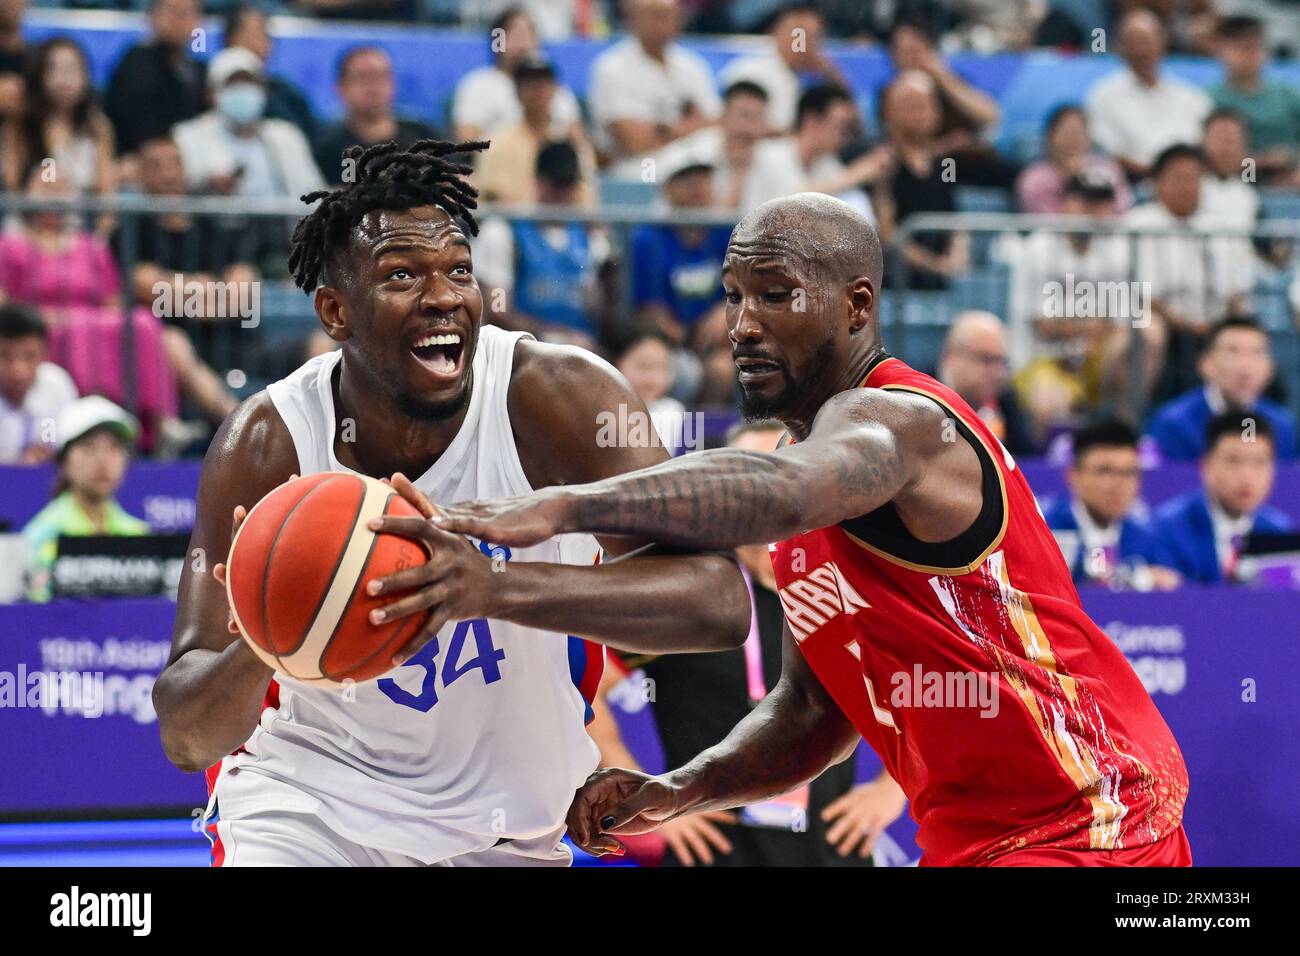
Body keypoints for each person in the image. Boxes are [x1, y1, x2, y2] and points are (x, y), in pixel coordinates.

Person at [436, 192, 1193, 868]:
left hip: (1093, 811)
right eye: (733, 297)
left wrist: (564, 505)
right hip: (974, 833)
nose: (742, 324)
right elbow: (810, 712)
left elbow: (783, 490)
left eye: (774, 295)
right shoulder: (807, 479)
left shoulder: (900, 421)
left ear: (856, 305)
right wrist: (680, 788)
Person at [153, 139, 749, 867]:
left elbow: (719, 604)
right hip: (310, 811)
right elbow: (185, 736)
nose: (443, 296)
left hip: (507, 830)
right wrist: (272, 631)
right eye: (402, 274)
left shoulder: (555, 397)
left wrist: (490, 587)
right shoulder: (268, 442)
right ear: (335, 311)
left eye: (459, 270)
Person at [589, 418, 907, 866]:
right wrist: (649, 803)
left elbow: (922, 693)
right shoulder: (694, 593)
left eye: (782, 470)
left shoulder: (840, 588)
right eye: (752, 474)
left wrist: (891, 792)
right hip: (718, 855)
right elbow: (586, 685)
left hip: (830, 853)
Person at [1124, 143, 1254, 397]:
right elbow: (1141, 291)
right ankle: (1135, 420)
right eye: (1178, 178)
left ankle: (1242, 423)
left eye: (1194, 178)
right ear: (1158, 182)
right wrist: (1188, 326)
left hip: (1214, 323)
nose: (1187, 186)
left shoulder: (1220, 225)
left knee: (1246, 341)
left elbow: (1238, 288)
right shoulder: (1139, 222)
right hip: (1166, 323)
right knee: (1152, 333)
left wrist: (1227, 325)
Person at [473, 141, 609, 352]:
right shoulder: (502, 232)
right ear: (538, 182)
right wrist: (554, 337)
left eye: (569, 185)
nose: (563, 194)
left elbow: (595, 307)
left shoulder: (590, 238)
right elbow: (498, 309)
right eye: (557, 185)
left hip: (583, 351)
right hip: (522, 352)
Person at [22, 396, 148, 602]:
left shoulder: (139, 534)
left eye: (114, 447)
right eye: (88, 447)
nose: (103, 460)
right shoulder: (39, 537)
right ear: (63, 461)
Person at [630, 152, 731, 403]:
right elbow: (651, 313)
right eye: (687, 180)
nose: (697, 188)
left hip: (719, 341)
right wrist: (690, 340)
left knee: (727, 368)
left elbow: (741, 292)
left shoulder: (726, 233)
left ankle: (716, 436)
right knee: (681, 370)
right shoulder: (648, 239)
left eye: (703, 179)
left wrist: (726, 310)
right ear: (668, 189)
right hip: (667, 342)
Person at [1151, 411, 1293, 585]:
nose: (1246, 476)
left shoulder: (1281, 534)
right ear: (1206, 466)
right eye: (1234, 461)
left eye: (1259, 462)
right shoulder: (1167, 531)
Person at [171, 46, 325, 202]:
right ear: (211, 93)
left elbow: (313, 192)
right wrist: (206, 184)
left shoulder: (286, 136)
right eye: (232, 84)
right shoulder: (187, 136)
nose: (241, 90)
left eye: (249, 83)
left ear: (263, 90)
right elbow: (171, 191)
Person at [588, 0, 721, 175]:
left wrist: (662, 131)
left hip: (692, 157)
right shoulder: (611, 68)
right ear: (633, 18)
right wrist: (688, 127)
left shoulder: (692, 65)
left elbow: (717, 123)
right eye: (654, 15)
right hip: (640, 165)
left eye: (668, 15)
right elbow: (633, 142)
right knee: (667, 171)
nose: (662, 23)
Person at [1043, 419, 1178, 590]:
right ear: (1073, 475)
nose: (1118, 484)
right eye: (1105, 471)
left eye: (1129, 473)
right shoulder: (1045, 531)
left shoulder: (1148, 541)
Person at [1145, 317, 1297, 462]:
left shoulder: (1281, 426)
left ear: (1270, 368)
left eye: (1256, 353)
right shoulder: (1174, 424)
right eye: (1233, 352)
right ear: (1205, 364)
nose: (1245, 367)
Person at [1084, 9, 1211, 179]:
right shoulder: (1102, 96)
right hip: (1132, 183)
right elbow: (1105, 153)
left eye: (1145, 41)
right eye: (1132, 42)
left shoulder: (1191, 97)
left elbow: (1208, 147)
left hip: (1190, 183)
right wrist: (1159, 175)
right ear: (1119, 46)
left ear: (1163, 43)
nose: (1140, 49)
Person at [874, 70, 969, 290]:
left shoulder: (945, 164)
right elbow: (886, 232)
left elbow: (955, 218)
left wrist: (957, 255)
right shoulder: (883, 163)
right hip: (897, 282)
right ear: (890, 111)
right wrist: (932, 264)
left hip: (943, 278)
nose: (922, 113)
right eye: (912, 105)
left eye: (928, 104)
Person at [741, 84, 886, 220]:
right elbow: (785, 206)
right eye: (840, 127)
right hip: (760, 240)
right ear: (811, 120)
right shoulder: (768, 154)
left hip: (802, 242)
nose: (845, 137)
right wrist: (855, 174)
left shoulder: (828, 164)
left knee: (857, 199)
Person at [1, 38, 116, 209]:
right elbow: (12, 185)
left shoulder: (98, 127)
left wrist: (99, 232)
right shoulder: (20, 124)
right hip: (26, 224)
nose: (65, 79)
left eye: (73, 69)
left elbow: (106, 193)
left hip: (81, 226)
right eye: (55, 69)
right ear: (40, 74)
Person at [471, 54, 597, 206]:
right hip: (512, 225)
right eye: (530, 83)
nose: (538, 91)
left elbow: (587, 199)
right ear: (517, 90)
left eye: (544, 83)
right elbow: (491, 196)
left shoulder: (573, 142)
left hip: (566, 224)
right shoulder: (496, 142)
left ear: (555, 89)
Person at [451, 6, 582, 144]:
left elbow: (579, 142)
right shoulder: (478, 85)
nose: (523, 43)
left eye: (528, 34)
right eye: (516, 34)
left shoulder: (554, 87)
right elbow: (466, 141)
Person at [312, 46, 439, 186]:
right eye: (363, 77)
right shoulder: (326, 147)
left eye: (382, 76)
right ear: (340, 87)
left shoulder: (423, 135)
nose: (374, 86)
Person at [718, 3, 849, 133]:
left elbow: (849, 120)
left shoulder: (796, 78)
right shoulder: (752, 70)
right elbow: (738, 124)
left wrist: (829, 72)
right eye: (806, 39)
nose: (812, 49)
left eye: (816, 40)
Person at [104, 0, 207, 158]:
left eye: (188, 12)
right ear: (152, 16)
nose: (180, 20)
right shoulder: (136, 62)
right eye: (173, 11)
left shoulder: (199, 70)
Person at [1208, 15, 1300, 185]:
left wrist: (1293, 161)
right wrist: (1261, 161)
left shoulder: (1287, 95)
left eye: (1255, 47)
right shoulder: (1208, 100)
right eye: (1242, 48)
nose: (1249, 55)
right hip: (1237, 178)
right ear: (1220, 50)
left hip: (1290, 176)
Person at [937, 310, 1036, 457]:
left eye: (1002, 362)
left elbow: (1027, 460)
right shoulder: (919, 397)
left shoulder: (1004, 401)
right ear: (952, 356)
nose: (998, 373)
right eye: (987, 360)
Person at [1014, 105, 1132, 215]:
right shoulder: (1033, 179)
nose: (1073, 139)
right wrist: (1072, 180)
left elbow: (1122, 208)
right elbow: (1044, 219)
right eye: (1066, 132)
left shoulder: (1108, 170)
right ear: (1049, 137)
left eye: (1079, 132)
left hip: (1107, 234)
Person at [223, 4, 317, 141]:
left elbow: (310, 136)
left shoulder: (286, 94)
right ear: (229, 40)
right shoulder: (210, 88)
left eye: (263, 36)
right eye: (250, 36)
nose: (257, 44)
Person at [0, 303, 77, 465]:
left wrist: (47, 449)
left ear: (44, 353)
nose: (18, 369)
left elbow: (67, 441)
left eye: (30, 356)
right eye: (5, 357)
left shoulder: (56, 384)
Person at [1198, 108, 1260, 229]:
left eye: (1233, 140)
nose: (1226, 149)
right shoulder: (1185, 186)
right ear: (1202, 142)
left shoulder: (1252, 188)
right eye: (1220, 139)